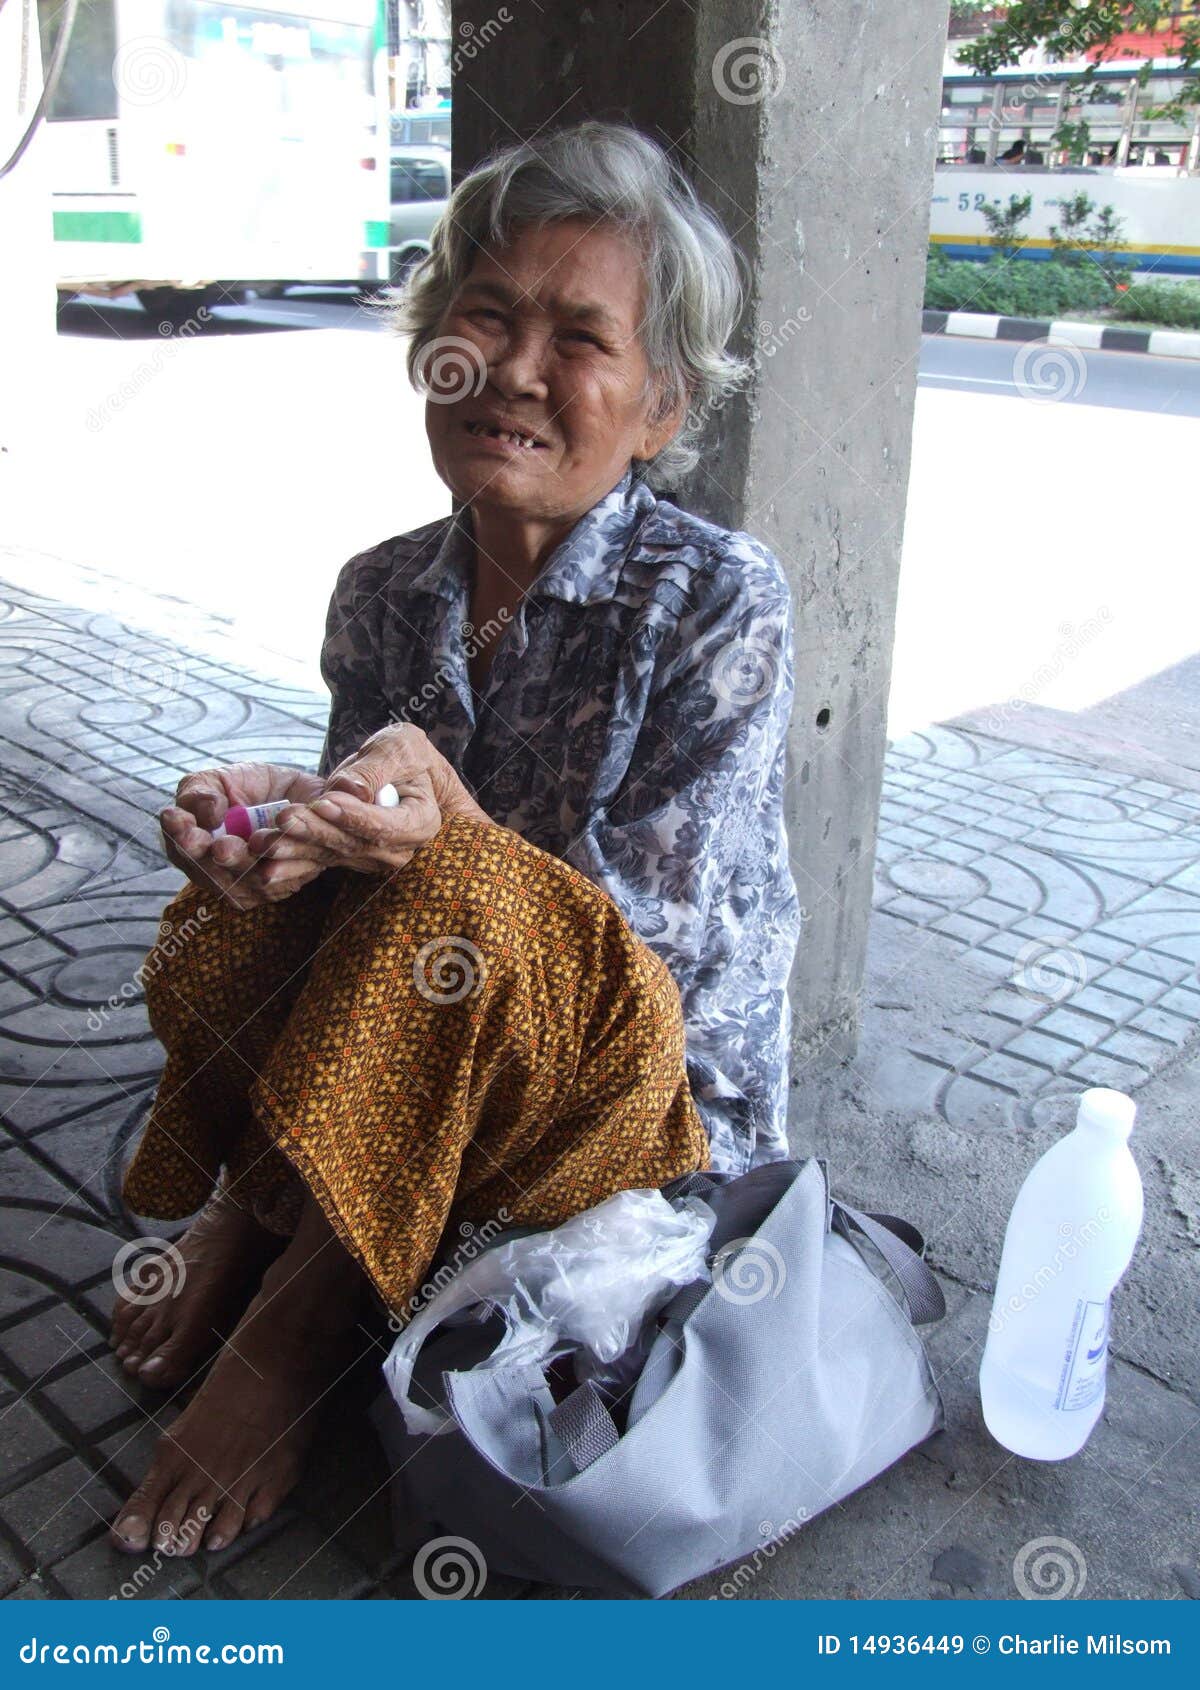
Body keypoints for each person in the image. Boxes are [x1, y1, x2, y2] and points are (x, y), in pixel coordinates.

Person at [107, 121, 803, 1557]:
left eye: (580, 337)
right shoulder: (379, 592)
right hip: (425, 1034)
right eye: (484, 317)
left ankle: (296, 1317)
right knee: (247, 909)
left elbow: (640, 961)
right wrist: (274, 840)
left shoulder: (718, 600)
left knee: (466, 903)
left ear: (662, 407)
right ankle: (270, 1195)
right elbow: (348, 884)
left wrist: (452, 838)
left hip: (633, 1090)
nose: (517, 371)